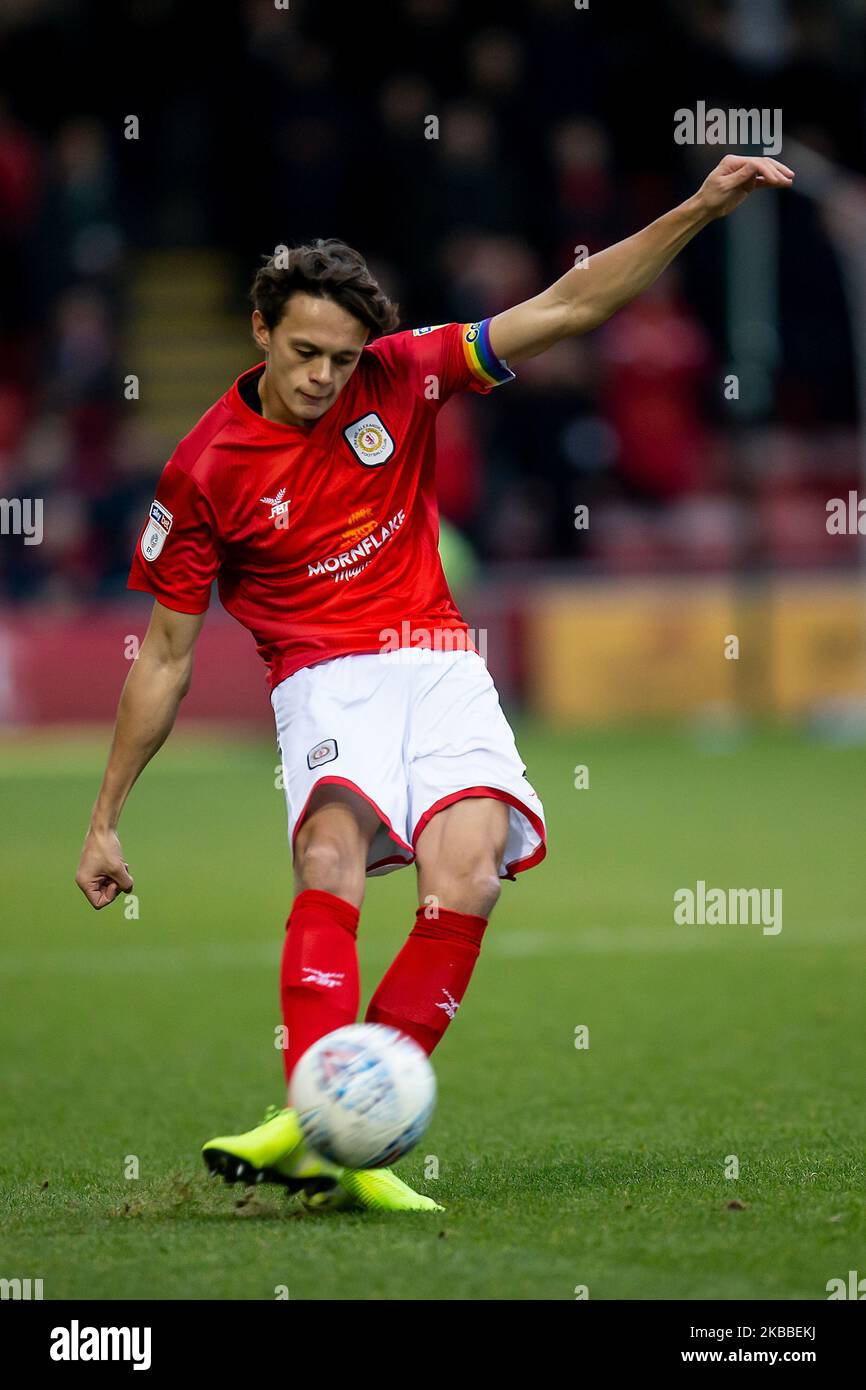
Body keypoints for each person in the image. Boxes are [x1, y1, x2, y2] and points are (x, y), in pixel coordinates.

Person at [75, 155, 794, 1213]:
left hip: (441, 661)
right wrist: (105, 819)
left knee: (471, 872)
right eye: (307, 353)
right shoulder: (202, 471)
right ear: (261, 331)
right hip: (322, 677)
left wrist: (698, 207)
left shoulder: (405, 372)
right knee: (329, 848)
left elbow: (569, 305)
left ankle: (342, 1139)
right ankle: (318, 1115)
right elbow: (167, 657)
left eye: (343, 357)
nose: (326, 376)